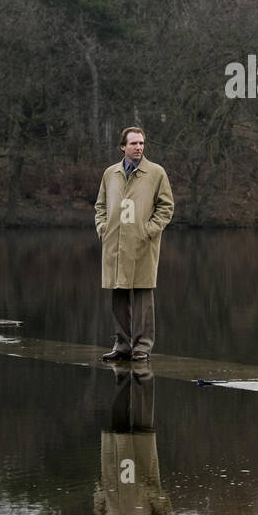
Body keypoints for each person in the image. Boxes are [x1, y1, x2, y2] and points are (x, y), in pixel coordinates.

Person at [94, 126, 174, 373]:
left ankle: (142, 348)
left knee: (142, 296)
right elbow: (100, 205)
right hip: (115, 244)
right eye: (134, 144)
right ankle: (123, 345)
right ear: (123, 147)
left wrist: (148, 230)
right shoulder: (111, 174)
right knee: (118, 296)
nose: (139, 147)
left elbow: (166, 207)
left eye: (141, 143)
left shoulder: (156, 173)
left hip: (142, 244)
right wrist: (103, 228)